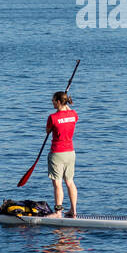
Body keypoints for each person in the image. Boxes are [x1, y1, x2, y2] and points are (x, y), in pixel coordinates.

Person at [46, 90, 78, 219]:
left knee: (57, 184)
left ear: (58, 102)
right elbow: (69, 113)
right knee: (70, 182)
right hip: (70, 153)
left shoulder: (52, 117)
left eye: (53, 100)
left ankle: (58, 212)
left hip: (57, 153)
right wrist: (65, 106)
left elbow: (48, 131)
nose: (52, 103)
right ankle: (73, 211)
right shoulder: (74, 114)